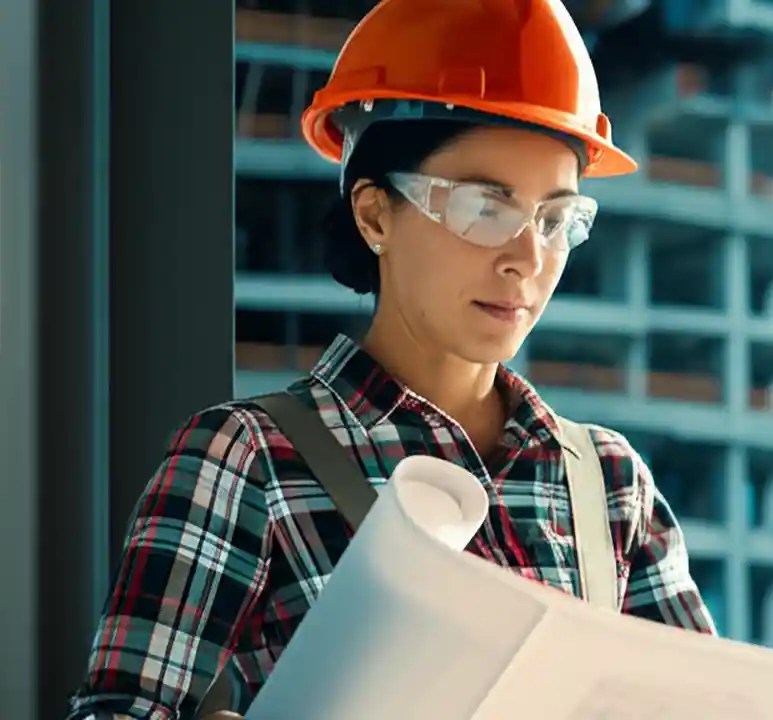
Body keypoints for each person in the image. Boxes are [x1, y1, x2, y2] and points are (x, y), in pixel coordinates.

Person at [65, 0, 716, 717]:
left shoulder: (610, 487)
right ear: (375, 213)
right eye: (485, 207)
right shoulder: (247, 461)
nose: (527, 259)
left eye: (557, 220)